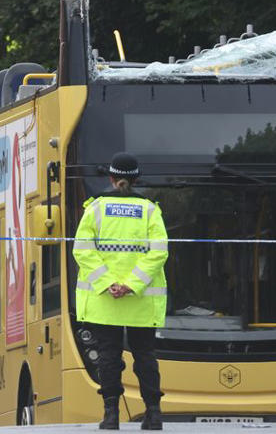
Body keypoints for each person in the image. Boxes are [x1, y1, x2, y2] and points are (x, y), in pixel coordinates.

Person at [72, 152, 169, 430]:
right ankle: (153, 413)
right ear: (136, 179)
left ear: (111, 178)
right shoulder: (150, 210)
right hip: (141, 300)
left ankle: (111, 415)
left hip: (105, 301)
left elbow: (83, 251)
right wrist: (132, 284)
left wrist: (108, 284)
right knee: (145, 355)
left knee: (108, 356)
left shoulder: (96, 208)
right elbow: (158, 253)